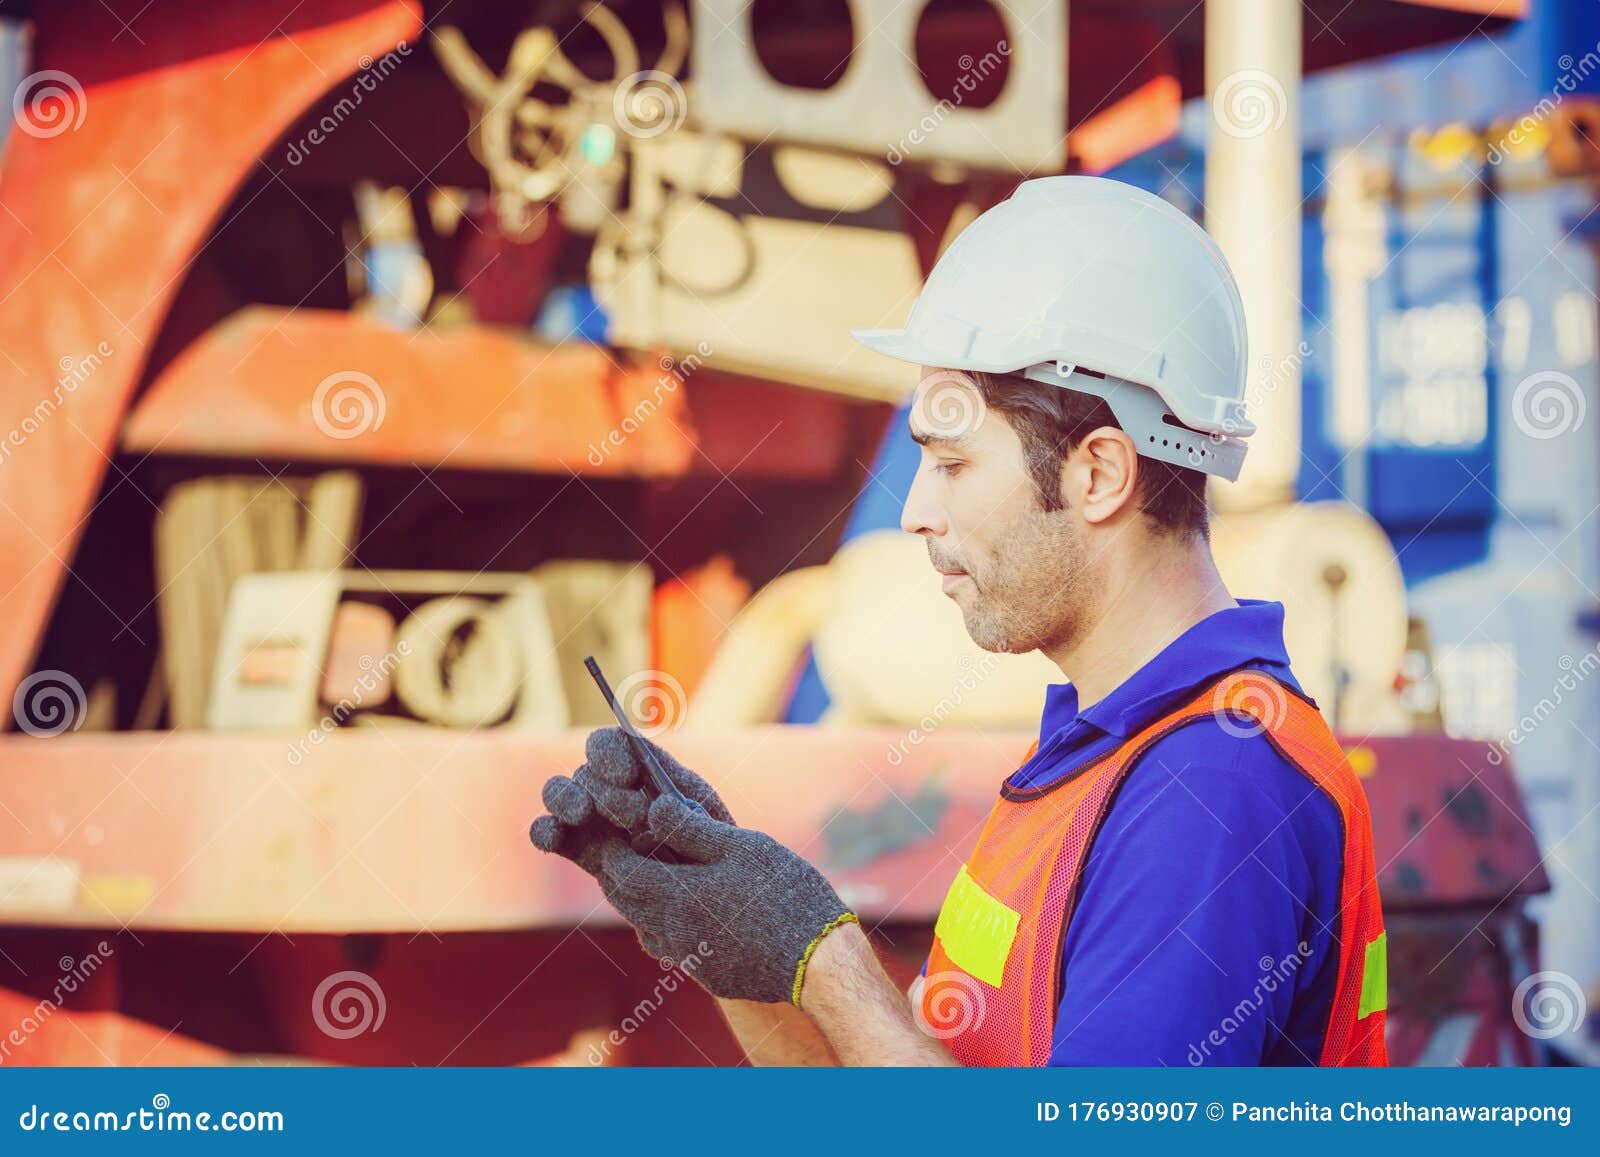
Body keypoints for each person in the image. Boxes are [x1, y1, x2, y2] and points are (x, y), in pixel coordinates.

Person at [530, 176, 1387, 1066]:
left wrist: (825, 960)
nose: (916, 512)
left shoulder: (1210, 785)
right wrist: (736, 938)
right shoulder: (1098, 757)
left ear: (1100, 474)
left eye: (952, 464)